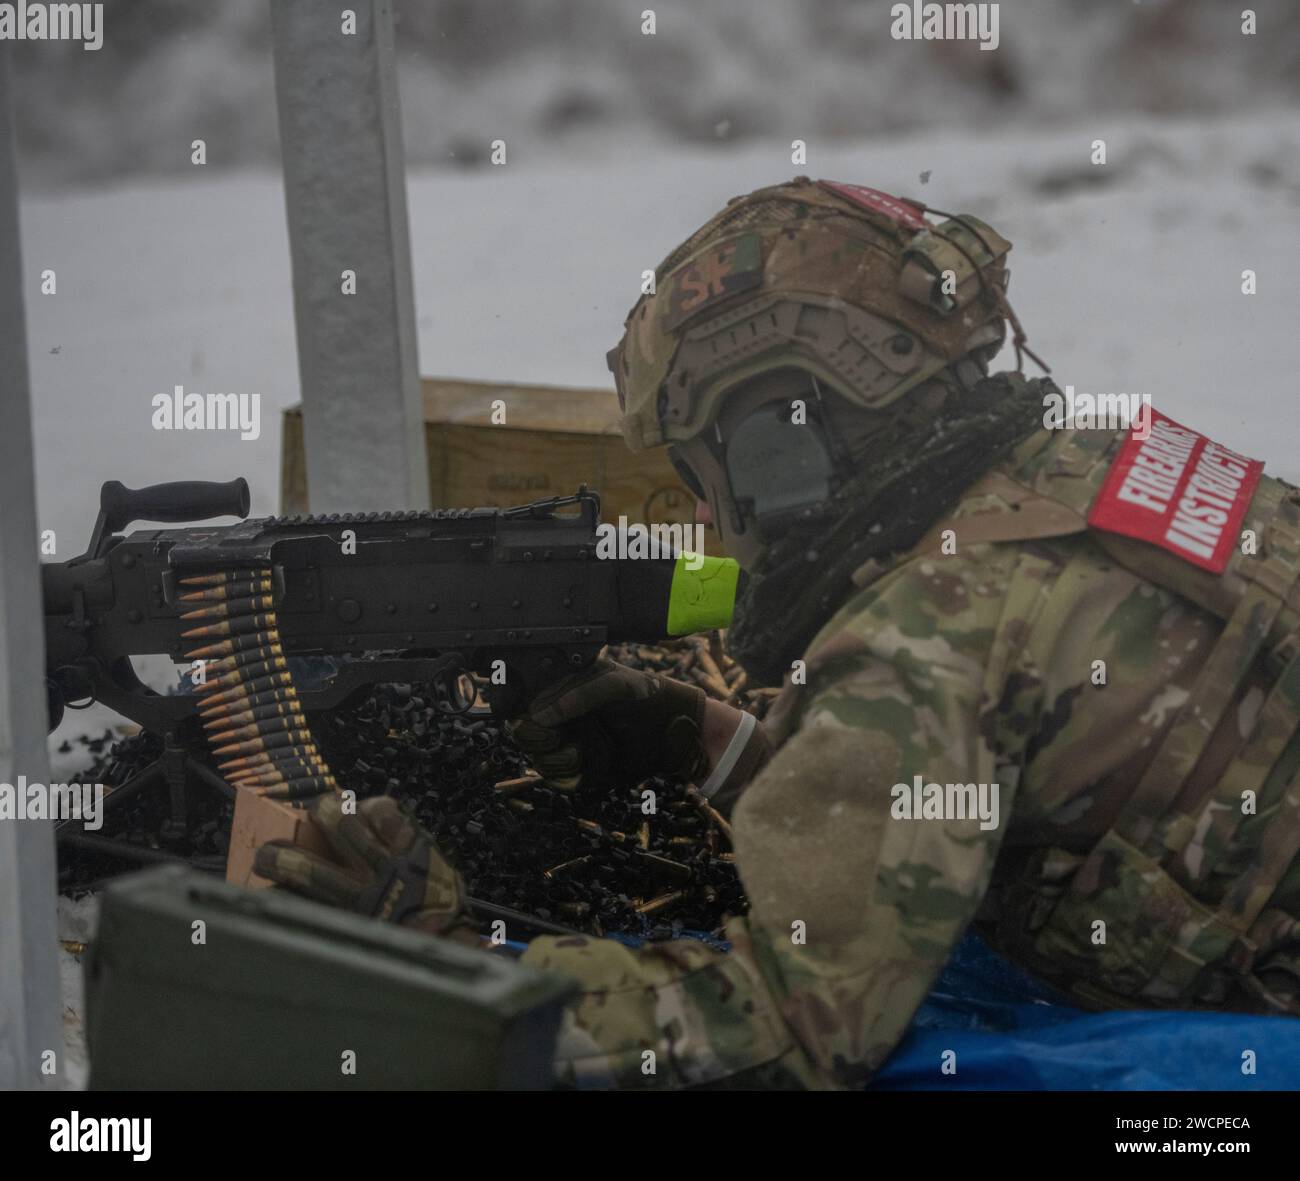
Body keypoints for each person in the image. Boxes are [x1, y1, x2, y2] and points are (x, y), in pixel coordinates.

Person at [256, 177, 1300, 1089]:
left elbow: (788, 1032)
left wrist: (446, 959)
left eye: (707, 475)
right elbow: (965, 780)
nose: (708, 522)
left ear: (776, 439)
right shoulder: (1093, 461)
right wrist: (717, 748)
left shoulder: (923, 634)